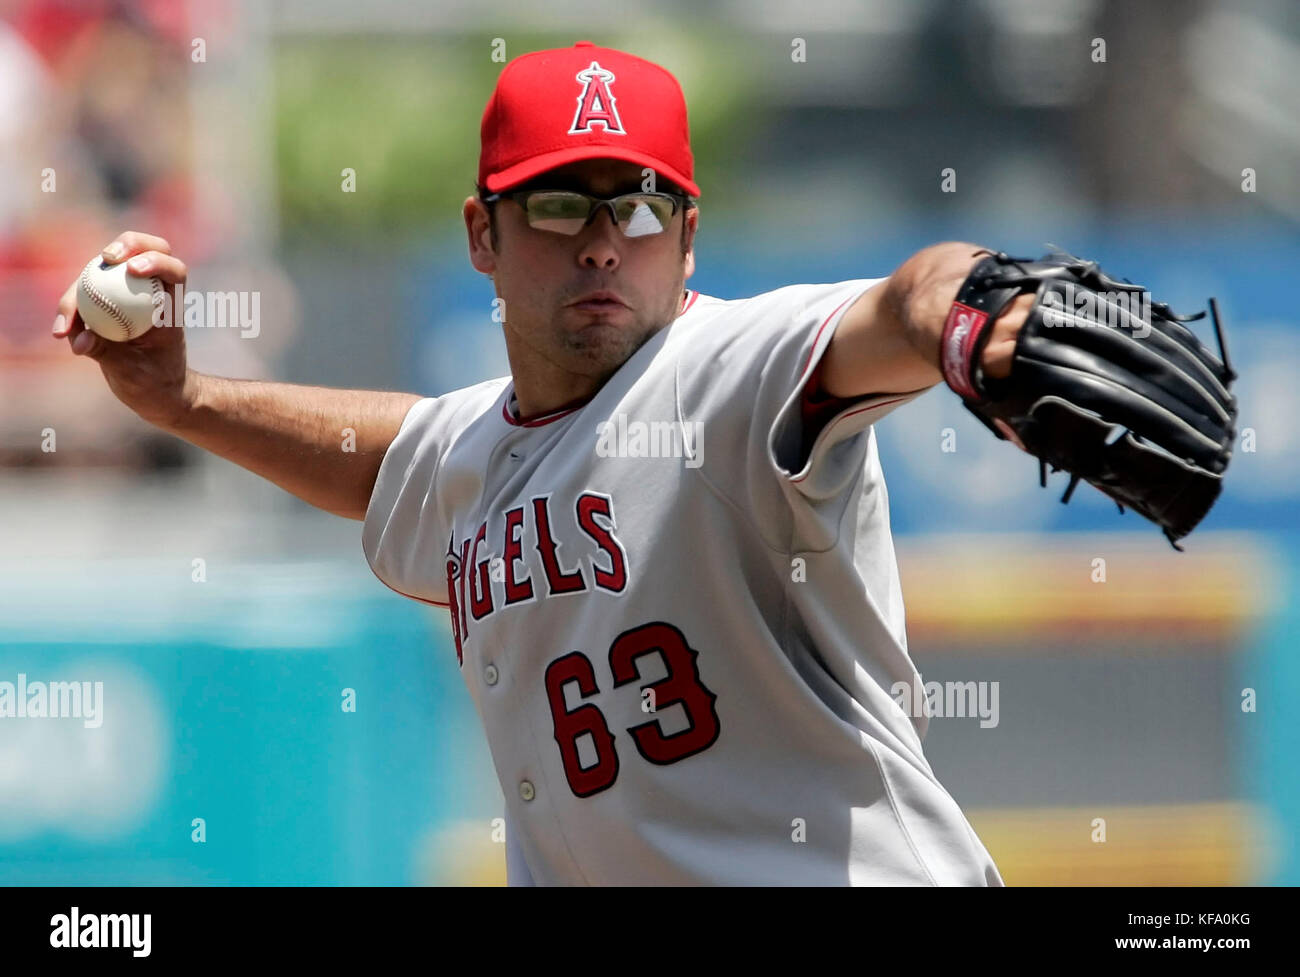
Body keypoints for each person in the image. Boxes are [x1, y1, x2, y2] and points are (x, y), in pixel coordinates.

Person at [53, 41, 1028, 885]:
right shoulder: (475, 449)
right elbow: (389, 454)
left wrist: (977, 313)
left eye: (640, 209)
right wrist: (181, 398)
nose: (605, 244)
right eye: (563, 205)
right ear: (484, 234)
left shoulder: (731, 373)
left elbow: (907, 299)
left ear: (688, 239)